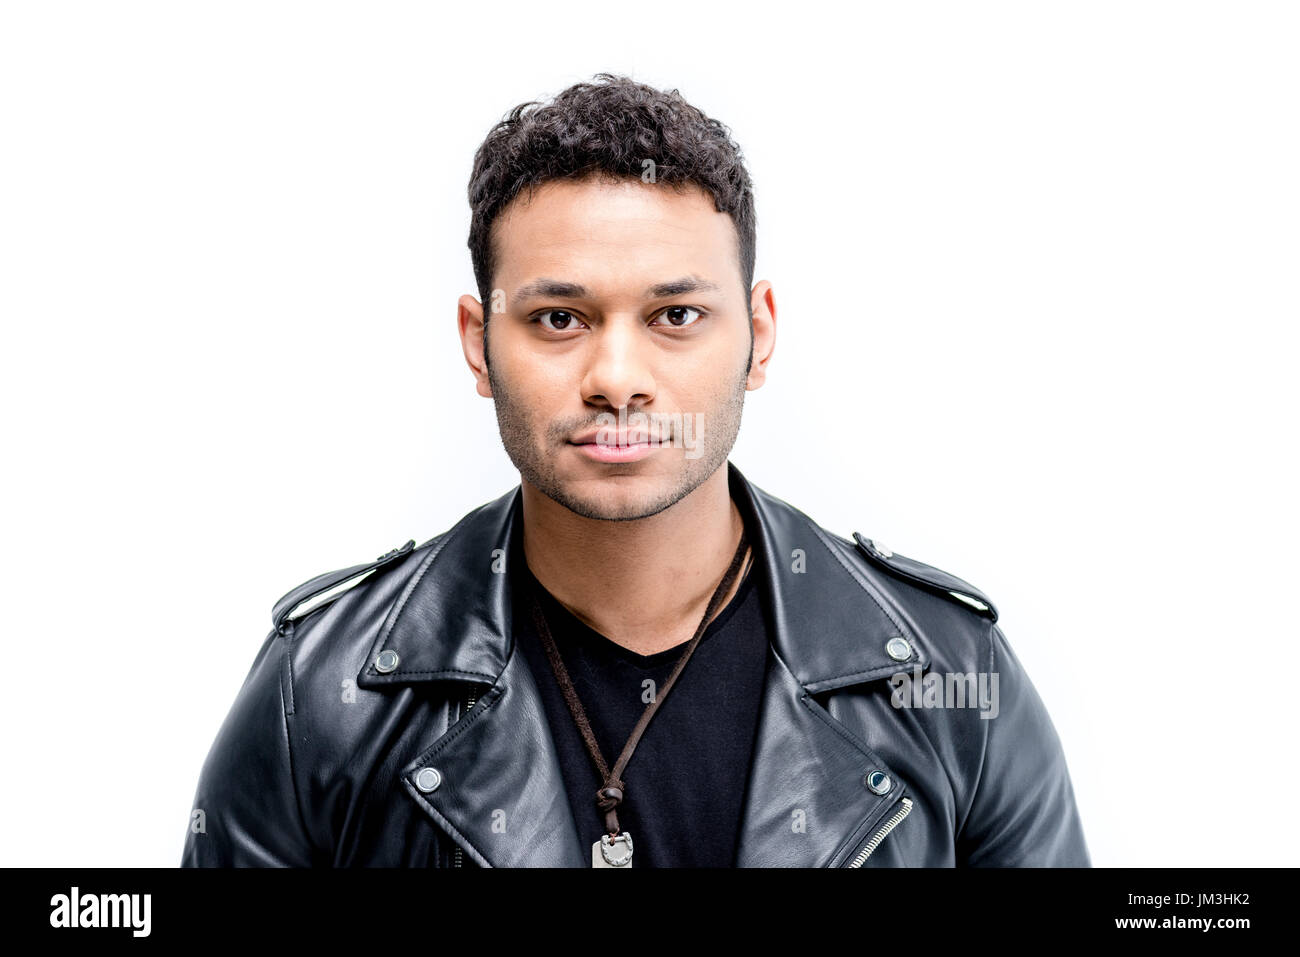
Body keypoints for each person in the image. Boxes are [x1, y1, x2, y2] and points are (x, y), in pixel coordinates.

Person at [181, 73, 1089, 868]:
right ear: (478, 343)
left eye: (676, 315)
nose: (617, 379)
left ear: (758, 334)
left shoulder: (947, 676)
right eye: (559, 320)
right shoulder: (327, 690)